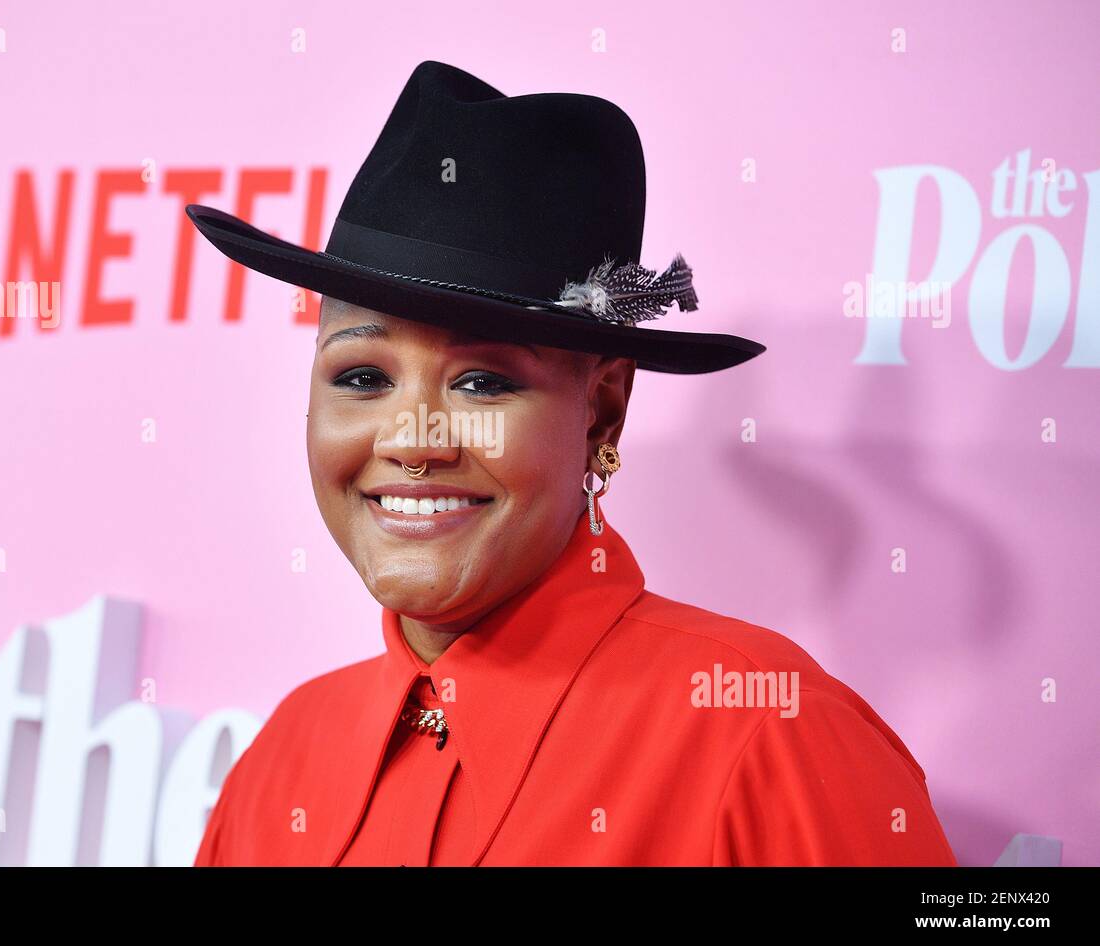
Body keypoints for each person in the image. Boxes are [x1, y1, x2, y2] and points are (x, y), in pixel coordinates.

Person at [185, 60, 957, 866]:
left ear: (603, 413)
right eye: (363, 378)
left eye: (483, 382)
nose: (412, 439)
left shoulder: (768, 735)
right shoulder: (280, 763)